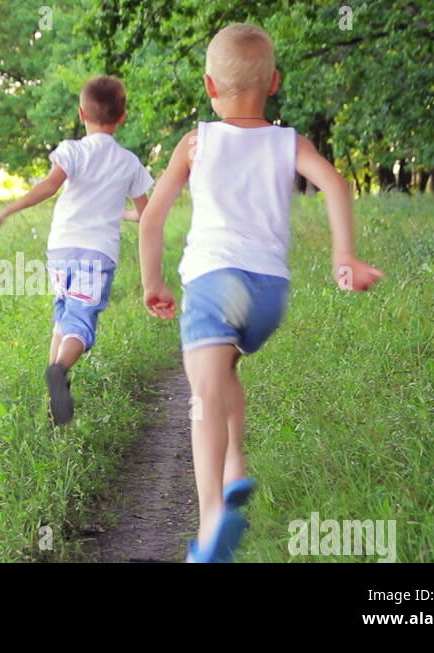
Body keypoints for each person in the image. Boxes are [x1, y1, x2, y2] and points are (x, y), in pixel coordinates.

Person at [137, 23, 383, 562]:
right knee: (225, 374)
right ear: (273, 82)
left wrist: (152, 281)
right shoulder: (289, 141)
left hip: (212, 281)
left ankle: (211, 522)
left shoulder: (196, 141)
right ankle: (236, 468)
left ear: (209, 85)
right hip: (268, 294)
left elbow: (152, 217)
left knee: (202, 397)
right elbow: (336, 184)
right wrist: (344, 258)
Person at [0, 75, 153, 425]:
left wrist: (4, 212)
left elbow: (48, 186)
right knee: (80, 321)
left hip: (60, 249)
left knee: (62, 314)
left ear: (81, 113)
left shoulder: (72, 150)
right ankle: (58, 370)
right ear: (123, 116)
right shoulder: (129, 162)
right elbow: (146, 214)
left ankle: (54, 397)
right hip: (96, 253)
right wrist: (126, 214)